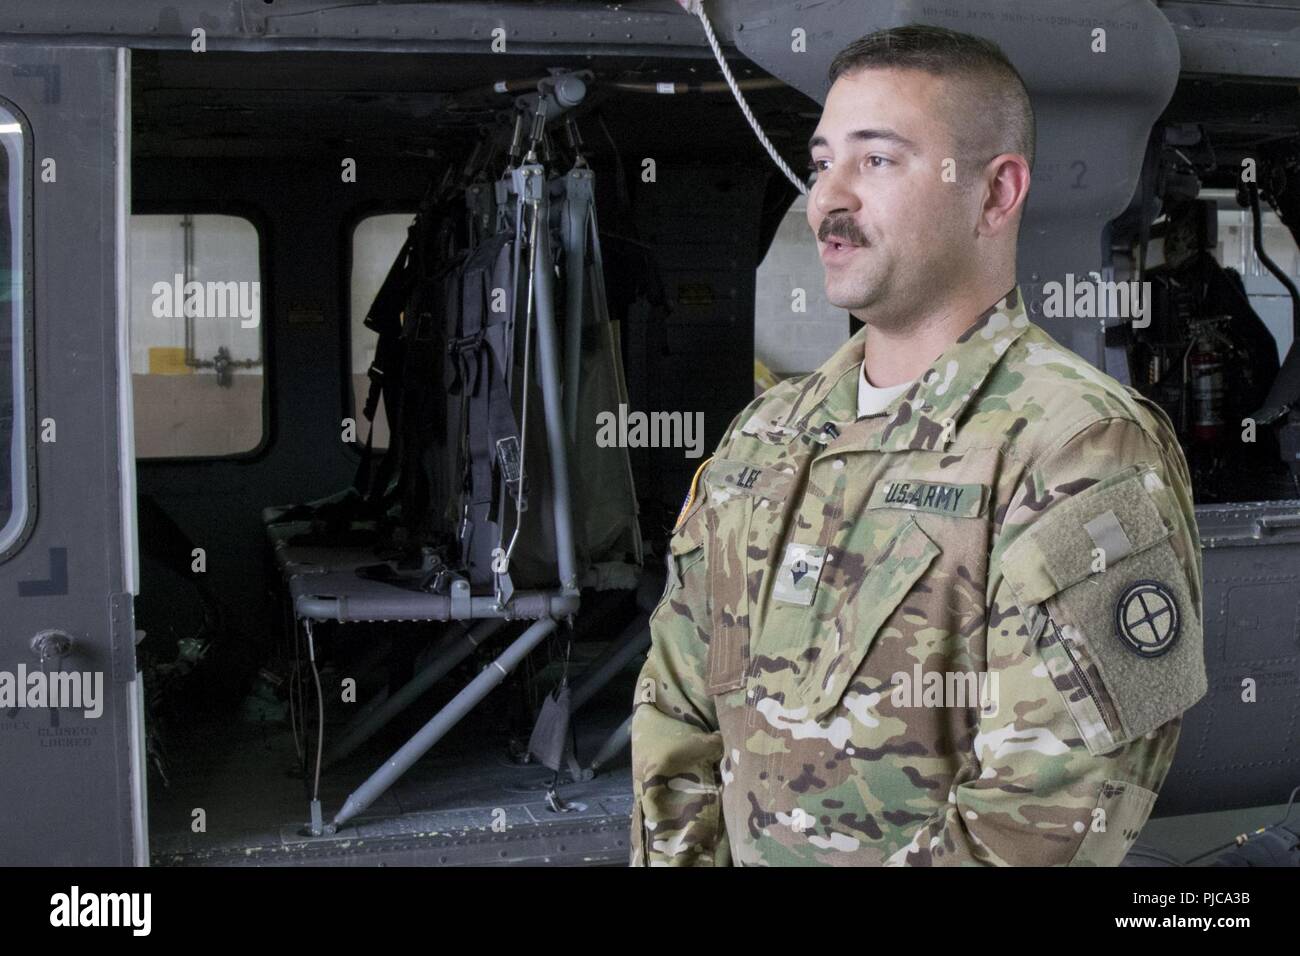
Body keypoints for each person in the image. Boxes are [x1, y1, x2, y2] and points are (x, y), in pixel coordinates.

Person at [629, 23, 1207, 866]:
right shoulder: (767, 433)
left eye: (878, 159)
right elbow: (675, 717)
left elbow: (1047, 818)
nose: (828, 196)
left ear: (996, 194)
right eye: (823, 159)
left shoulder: (1080, 450)